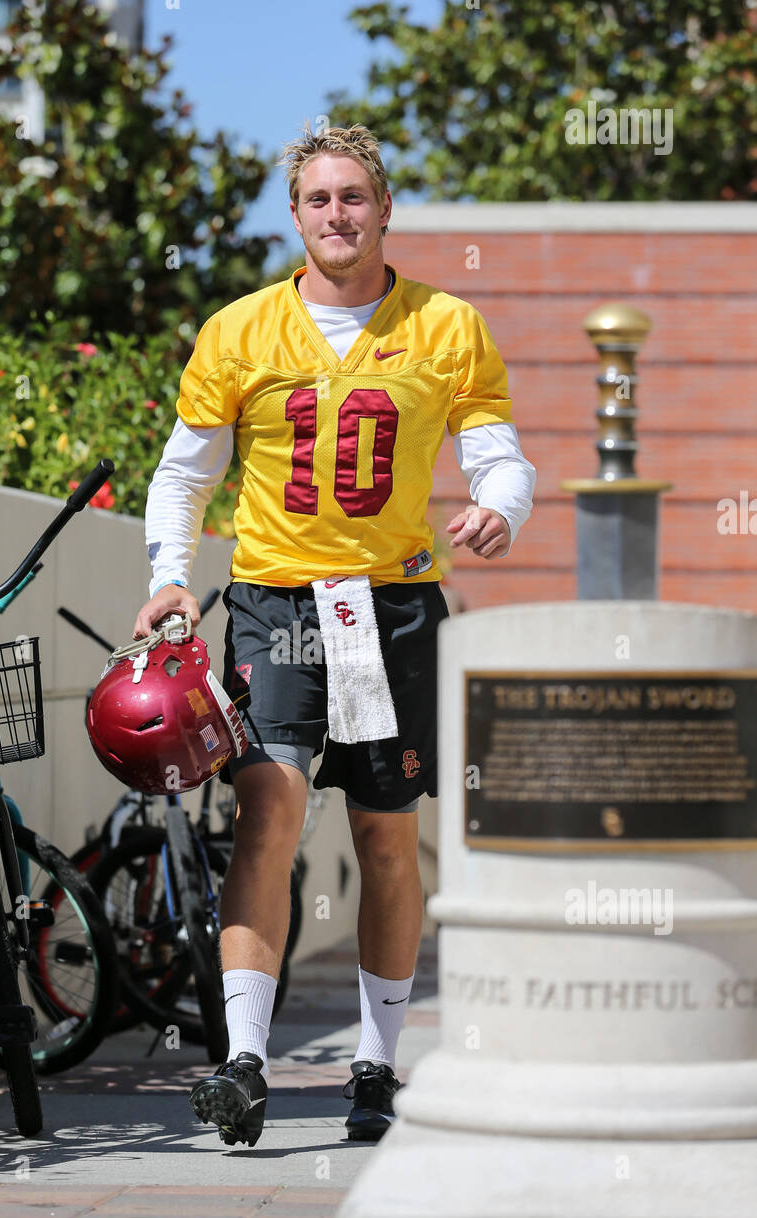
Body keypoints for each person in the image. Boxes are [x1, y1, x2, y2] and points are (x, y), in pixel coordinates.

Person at [134, 123, 536, 1147]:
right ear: (295, 214)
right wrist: (169, 579)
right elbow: (185, 474)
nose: (336, 215)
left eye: (353, 196)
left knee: (384, 833)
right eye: (317, 199)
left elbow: (501, 458)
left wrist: (500, 508)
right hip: (275, 598)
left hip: (394, 602)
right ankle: (244, 1061)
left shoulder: (446, 326)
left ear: (384, 207)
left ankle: (373, 1062)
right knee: (267, 810)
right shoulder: (239, 330)